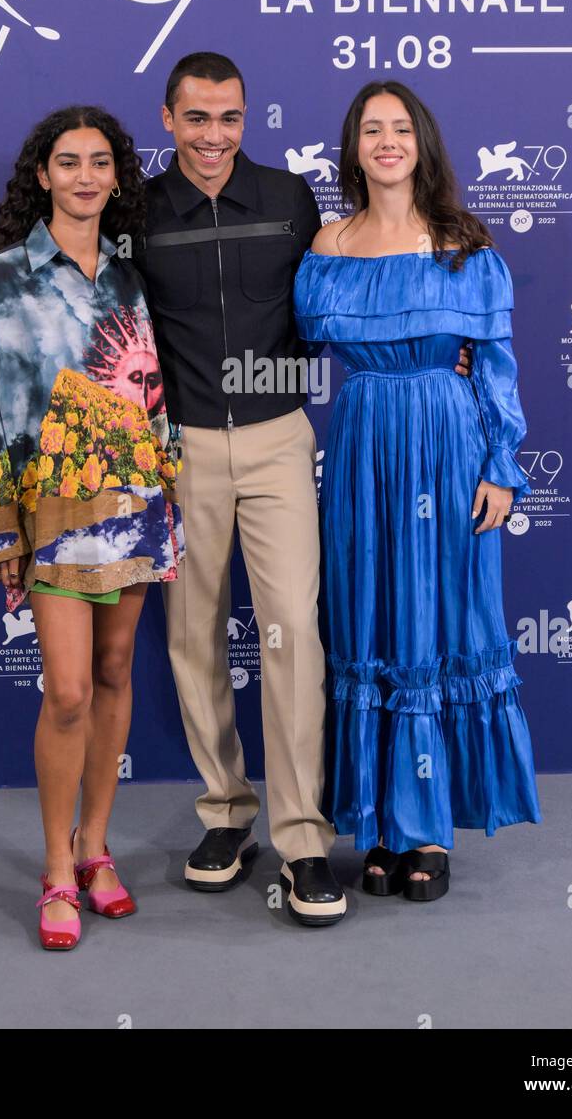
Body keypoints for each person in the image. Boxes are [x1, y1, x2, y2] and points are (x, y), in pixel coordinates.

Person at [135, 53, 471, 925]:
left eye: (230, 118)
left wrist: (437, 342)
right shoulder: (138, 211)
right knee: (193, 638)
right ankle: (225, 815)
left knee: (294, 636)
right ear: (168, 119)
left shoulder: (291, 202)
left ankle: (301, 838)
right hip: (184, 451)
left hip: (284, 443)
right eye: (197, 118)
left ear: (248, 119)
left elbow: (346, 305)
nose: (215, 136)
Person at [293, 80, 542, 903]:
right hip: (364, 449)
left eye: (401, 128)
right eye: (373, 130)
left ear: (422, 143)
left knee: (438, 620)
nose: (387, 141)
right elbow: (293, 342)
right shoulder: (327, 247)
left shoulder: (465, 246)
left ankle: (427, 828)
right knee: (370, 617)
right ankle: (378, 825)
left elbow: (496, 366)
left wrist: (502, 466)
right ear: (354, 147)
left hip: (447, 446)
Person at [0, 106, 184, 950]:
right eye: (67, 162)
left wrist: (170, 499)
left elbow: (155, 397)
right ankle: (55, 866)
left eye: (100, 162)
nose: (84, 176)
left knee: (118, 669)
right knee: (71, 688)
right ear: (42, 176)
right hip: (47, 508)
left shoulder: (131, 276)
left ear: (118, 177)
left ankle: (96, 848)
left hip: (134, 502)